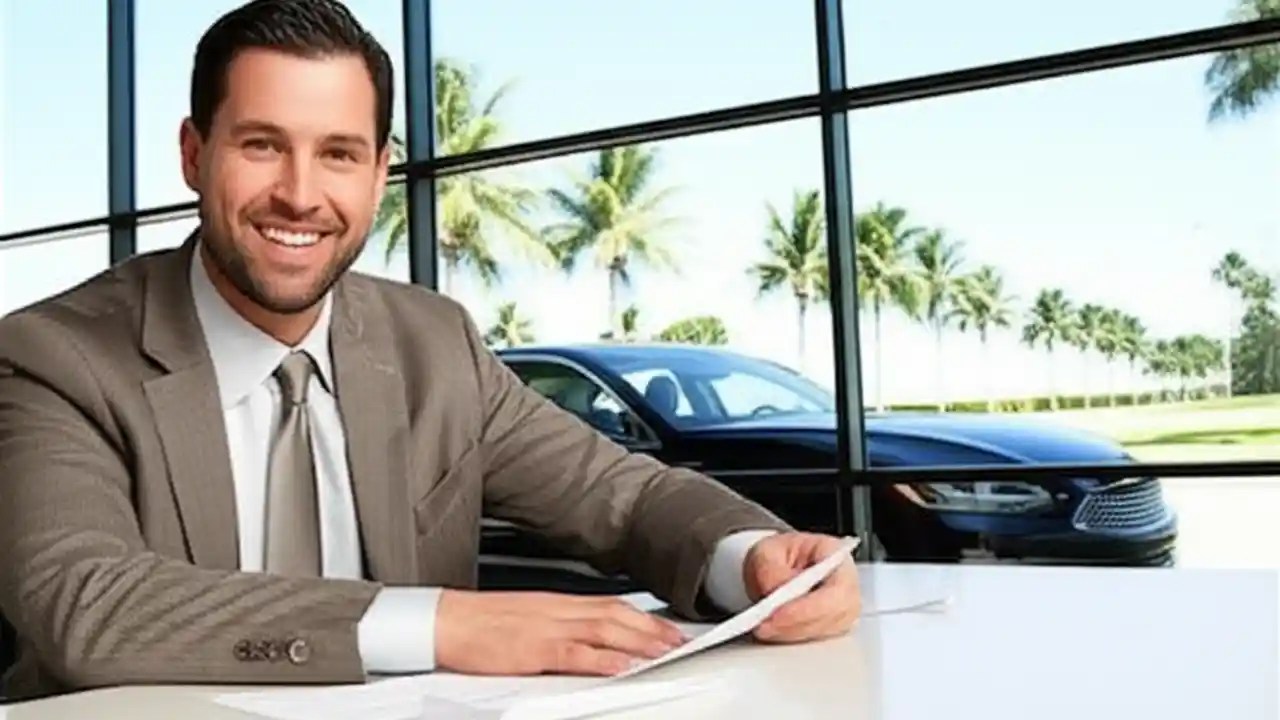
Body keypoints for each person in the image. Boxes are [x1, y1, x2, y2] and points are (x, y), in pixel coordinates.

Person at [0, 0, 860, 702]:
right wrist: (442, 623)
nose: (300, 195)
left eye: (338, 154)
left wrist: (751, 558)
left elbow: (621, 496)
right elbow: (85, 605)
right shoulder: (54, 354)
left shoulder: (433, 343)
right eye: (262, 145)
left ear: (379, 175)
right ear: (195, 155)